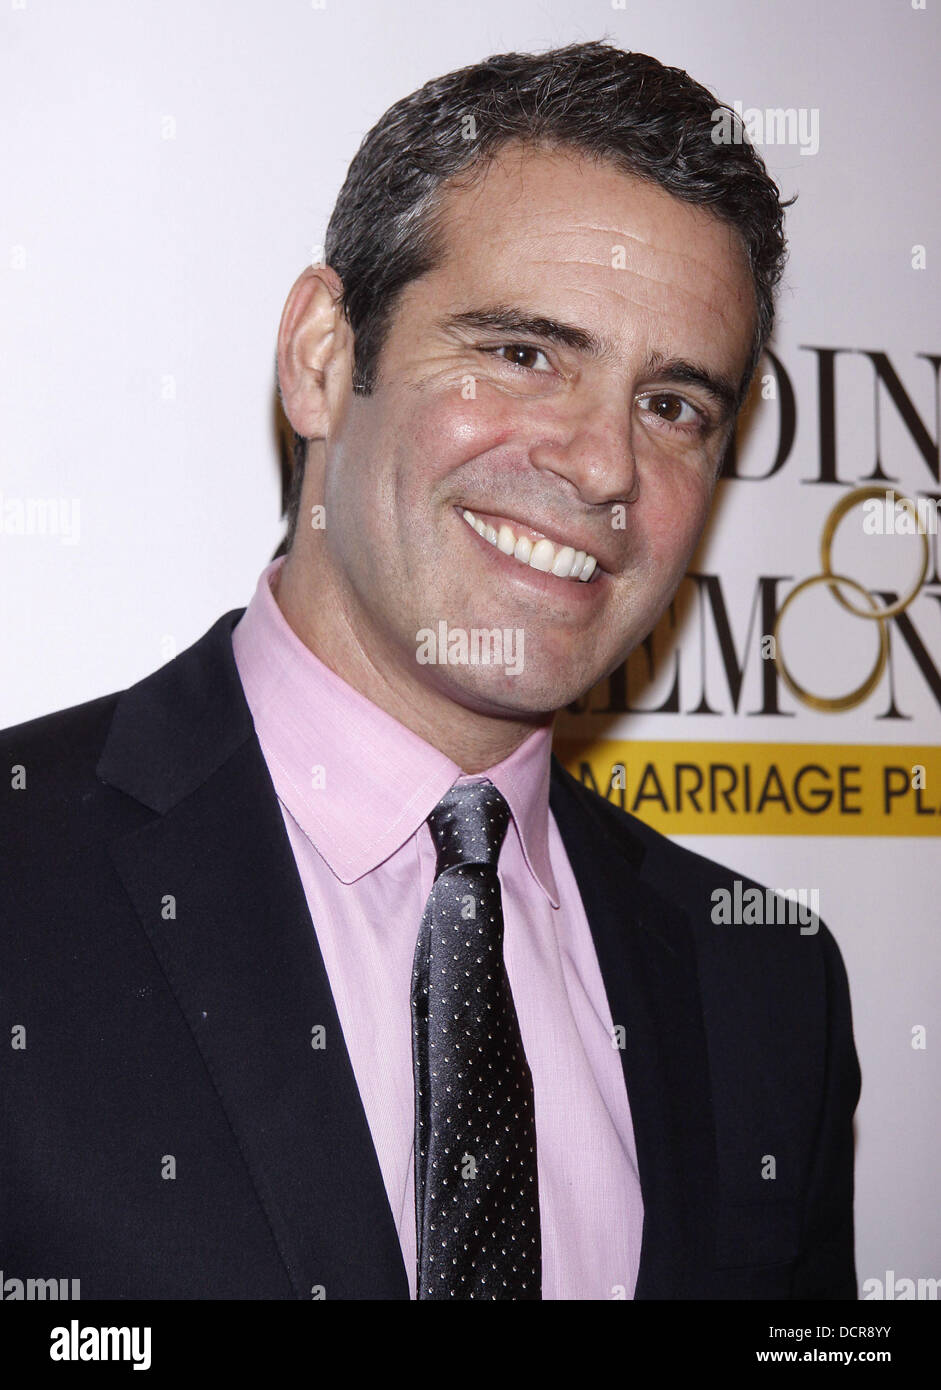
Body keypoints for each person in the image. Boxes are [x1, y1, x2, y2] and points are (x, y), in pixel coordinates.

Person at [0, 40, 859, 1300]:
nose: (604, 466)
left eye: (672, 404)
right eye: (523, 351)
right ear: (321, 359)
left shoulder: (766, 986)